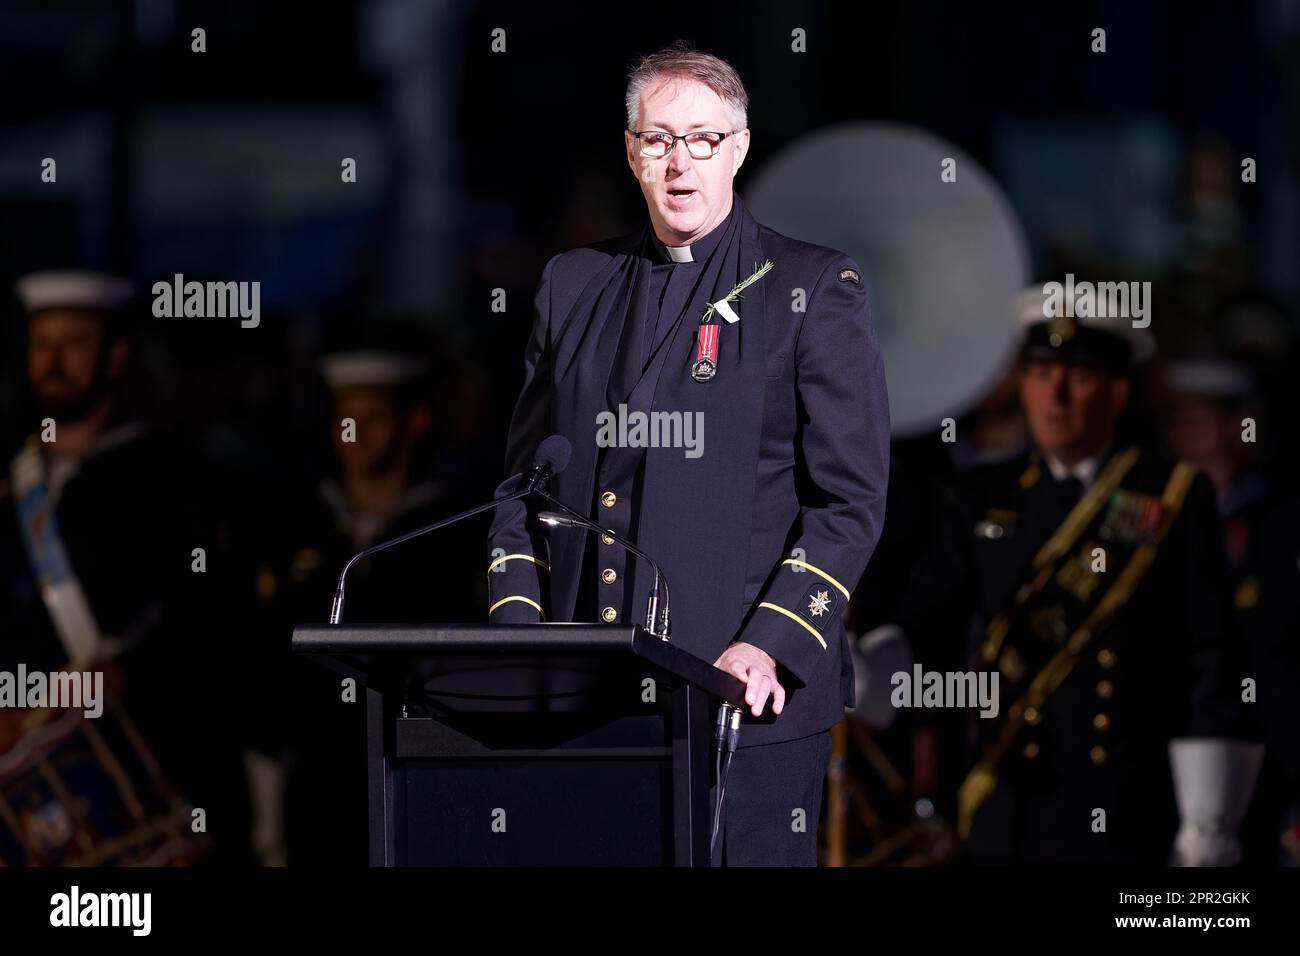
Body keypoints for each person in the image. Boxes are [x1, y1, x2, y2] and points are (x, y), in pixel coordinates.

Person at [485, 42, 890, 866]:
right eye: (660, 138)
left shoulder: (809, 289)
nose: (680, 162)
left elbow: (850, 504)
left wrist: (769, 643)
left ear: (738, 149)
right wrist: (519, 633)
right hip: (586, 702)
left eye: (703, 139)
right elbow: (520, 484)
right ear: (631, 151)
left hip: (741, 699)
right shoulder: (572, 284)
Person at [881, 288, 1261, 865]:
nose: (1054, 396)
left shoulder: (1173, 495)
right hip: (1005, 807)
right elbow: (931, 620)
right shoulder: (981, 497)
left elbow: (1211, 659)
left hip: (1128, 812)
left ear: (1117, 390)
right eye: (1039, 374)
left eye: (1077, 378)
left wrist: (1209, 817)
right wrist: (876, 660)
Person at [0, 269, 251, 864]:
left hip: (147, 775)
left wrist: (125, 675)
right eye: (41, 344)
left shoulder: (173, 478)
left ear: (115, 357)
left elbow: (214, 623)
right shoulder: (10, 481)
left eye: (74, 342)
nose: (53, 361)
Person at [252, 348, 484, 865]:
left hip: (416, 767)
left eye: (374, 418)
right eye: (345, 419)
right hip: (316, 778)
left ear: (414, 421)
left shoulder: (451, 530)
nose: (356, 436)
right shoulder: (300, 524)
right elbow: (266, 662)